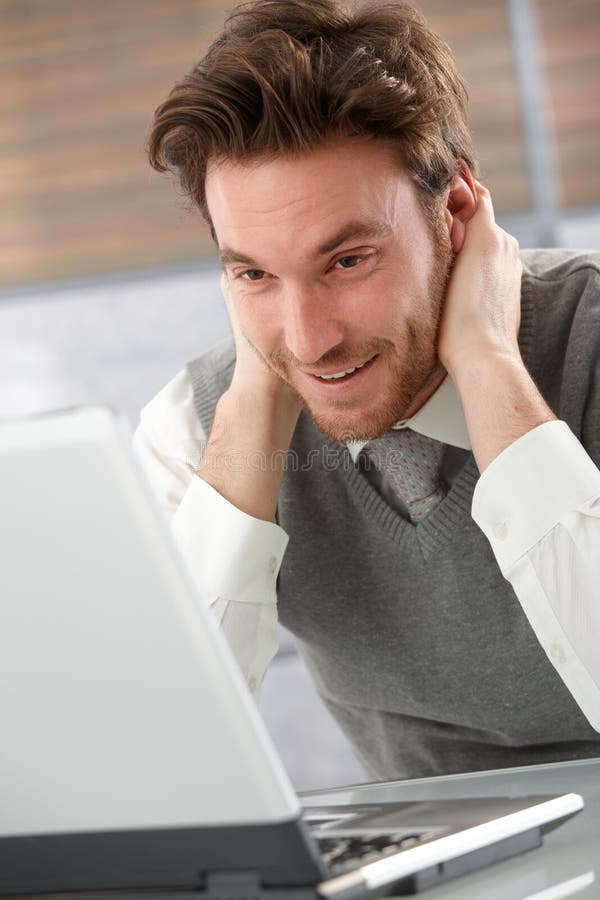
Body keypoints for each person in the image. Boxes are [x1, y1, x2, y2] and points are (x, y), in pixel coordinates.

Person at [135, 0, 600, 780]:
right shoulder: (195, 427)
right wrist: (255, 403)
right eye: (254, 273)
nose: (310, 338)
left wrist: (488, 361)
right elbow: (164, 765)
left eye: (347, 261)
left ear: (454, 212)